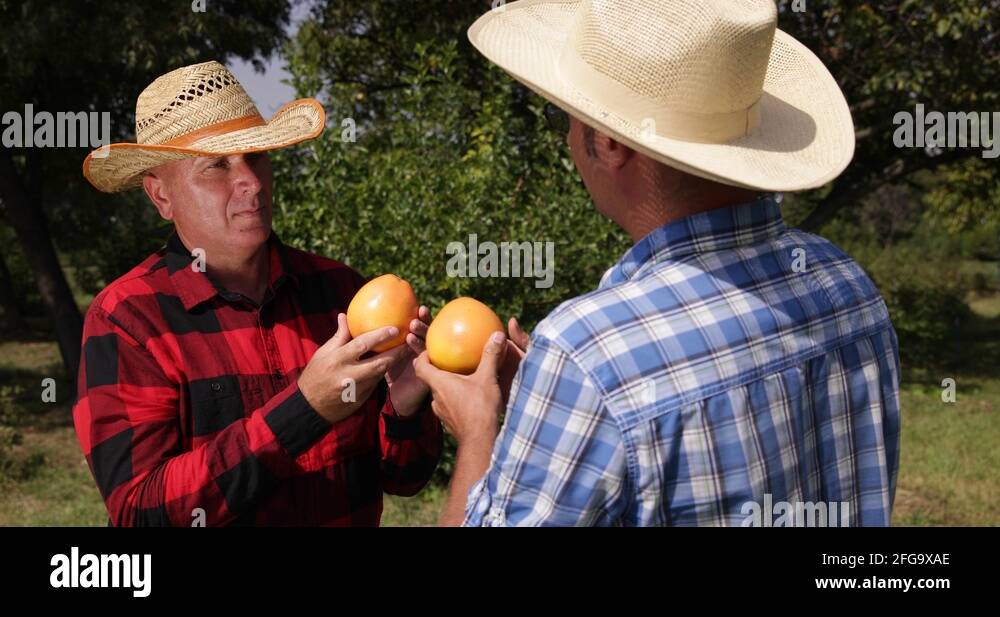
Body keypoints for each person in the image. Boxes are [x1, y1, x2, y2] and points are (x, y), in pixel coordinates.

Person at [414, 0, 900, 526]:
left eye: (570, 116)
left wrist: (479, 432)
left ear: (608, 141)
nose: (569, 138)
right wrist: (556, 408)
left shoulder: (587, 353)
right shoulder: (847, 285)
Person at [74, 61, 441, 526]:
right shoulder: (128, 319)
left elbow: (405, 478)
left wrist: (406, 407)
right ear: (161, 196)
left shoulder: (339, 292)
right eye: (218, 166)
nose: (250, 182)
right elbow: (141, 511)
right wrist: (303, 411)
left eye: (256, 157)